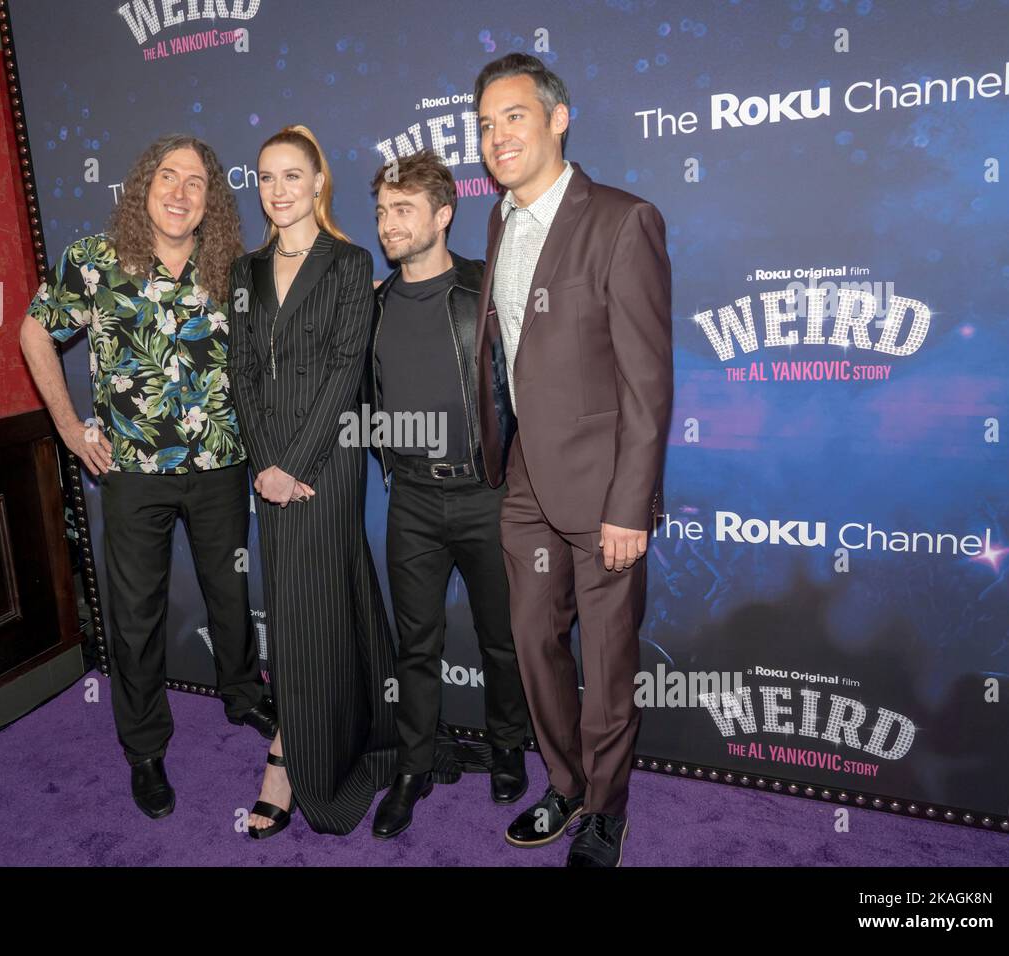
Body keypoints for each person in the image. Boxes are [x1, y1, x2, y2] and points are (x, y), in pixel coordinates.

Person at [20, 134, 277, 821]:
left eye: (196, 183)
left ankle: (244, 695)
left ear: (210, 202)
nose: (180, 192)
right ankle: (144, 750)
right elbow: (34, 331)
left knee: (231, 593)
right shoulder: (94, 262)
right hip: (131, 472)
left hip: (221, 465)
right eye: (169, 176)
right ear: (143, 184)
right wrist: (71, 429)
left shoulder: (230, 269)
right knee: (134, 619)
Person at [473, 54, 674, 867]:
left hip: (603, 491)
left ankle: (606, 807)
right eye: (485, 125)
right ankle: (564, 784)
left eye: (514, 116)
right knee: (532, 641)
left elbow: (648, 382)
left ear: (559, 118)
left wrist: (631, 504)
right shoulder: (498, 221)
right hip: (526, 477)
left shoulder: (622, 220)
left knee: (609, 658)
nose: (497, 137)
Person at [227, 124, 397, 837]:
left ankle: (289, 757)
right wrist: (268, 466)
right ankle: (353, 725)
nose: (277, 190)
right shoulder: (242, 272)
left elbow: (343, 369)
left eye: (291, 175)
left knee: (306, 613)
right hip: (270, 466)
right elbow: (239, 371)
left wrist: (293, 465)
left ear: (318, 181)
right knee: (311, 604)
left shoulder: (351, 263)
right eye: (266, 177)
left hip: (327, 460)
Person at [365, 149, 530, 839]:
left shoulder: (483, 291)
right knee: (416, 646)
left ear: (442, 213)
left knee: (503, 639)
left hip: (486, 493)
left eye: (403, 210)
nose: (388, 224)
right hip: (412, 501)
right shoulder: (370, 306)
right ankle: (414, 763)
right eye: (381, 211)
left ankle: (508, 747)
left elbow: (528, 387)